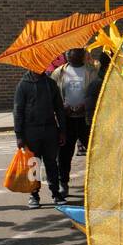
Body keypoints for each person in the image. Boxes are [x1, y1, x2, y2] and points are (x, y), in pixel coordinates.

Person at [12, 65, 67, 208]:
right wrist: (19, 134)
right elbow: (18, 110)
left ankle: (56, 193)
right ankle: (34, 194)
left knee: (51, 163)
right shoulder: (23, 85)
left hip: (49, 129)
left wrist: (62, 130)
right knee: (33, 164)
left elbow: (59, 108)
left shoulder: (50, 84)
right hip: (30, 130)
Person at [51, 48, 98, 194]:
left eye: (76, 52)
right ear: (67, 56)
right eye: (69, 52)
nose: (72, 54)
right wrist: (62, 107)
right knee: (64, 154)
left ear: (83, 55)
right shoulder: (58, 73)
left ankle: (97, 184)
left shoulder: (92, 71)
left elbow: (98, 93)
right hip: (67, 120)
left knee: (94, 153)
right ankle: (63, 183)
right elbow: (54, 94)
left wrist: (86, 105)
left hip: (87, 120)